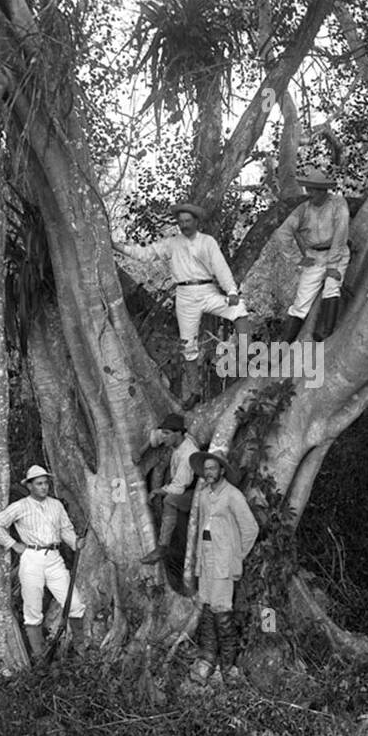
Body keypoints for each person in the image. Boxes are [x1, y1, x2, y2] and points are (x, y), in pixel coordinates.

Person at [112, 203, 251, 408]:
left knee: (240, 310)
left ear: (196, 222)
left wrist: (230, 291)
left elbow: (220, 267)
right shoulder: (172, 243)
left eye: (188, 221)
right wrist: (117, 246)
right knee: (188, 345)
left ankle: (245, 359)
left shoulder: (207, 242)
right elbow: (145, 254)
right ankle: (194, 392)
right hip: (185, 295)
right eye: (181, 222)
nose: (184, 225)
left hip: (207, 290)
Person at [0, 465, 86, 661]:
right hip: (31, 559)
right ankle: (40, 656)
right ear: (30, 486)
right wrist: (13, 544)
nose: (44, 487)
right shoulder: (20, 506)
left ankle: (81, 650)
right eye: (39, 484)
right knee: (32, 610)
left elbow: (65, 529)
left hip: (54, 558)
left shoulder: (56, 505)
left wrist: (75, 542)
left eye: (46, 483)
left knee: (74, 604)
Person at [183, 448, 259, 687]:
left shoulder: (233, 495)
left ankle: (228, 666)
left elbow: (251, 529)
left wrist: (235, 555)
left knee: (222, 612)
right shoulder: (204, 495)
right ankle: (207, 659)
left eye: (213, 468)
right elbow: (200, 532)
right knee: (207, 608)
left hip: (224, 562)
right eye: (205, 469)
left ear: (222, 470)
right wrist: (196, 565)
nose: (208, 472)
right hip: (206, 559)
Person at [271, 167, 350, 343]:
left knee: (331, 287)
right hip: (314, 256)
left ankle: (325, 333)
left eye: (314, 190)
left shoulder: (338, 204)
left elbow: (341, 233)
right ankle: (285, 344)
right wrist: (297, 258)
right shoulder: (303, 210)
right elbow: (282, 233)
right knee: (301, 302)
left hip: (336, 253)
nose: (310, 193)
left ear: (324, 190)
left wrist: (332, 265)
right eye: (309, 189)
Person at [140, 412, 201, 568]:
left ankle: (162, 547)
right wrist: (140, 451)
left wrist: (158, 491)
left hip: (192, 491)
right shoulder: (176, 441)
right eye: (164, 434)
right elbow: (156, 437)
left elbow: (179, 488)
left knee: (170, 500)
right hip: (179, 484)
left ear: (179, 433)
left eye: (167, 434)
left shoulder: (188, 454)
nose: (164, 438)